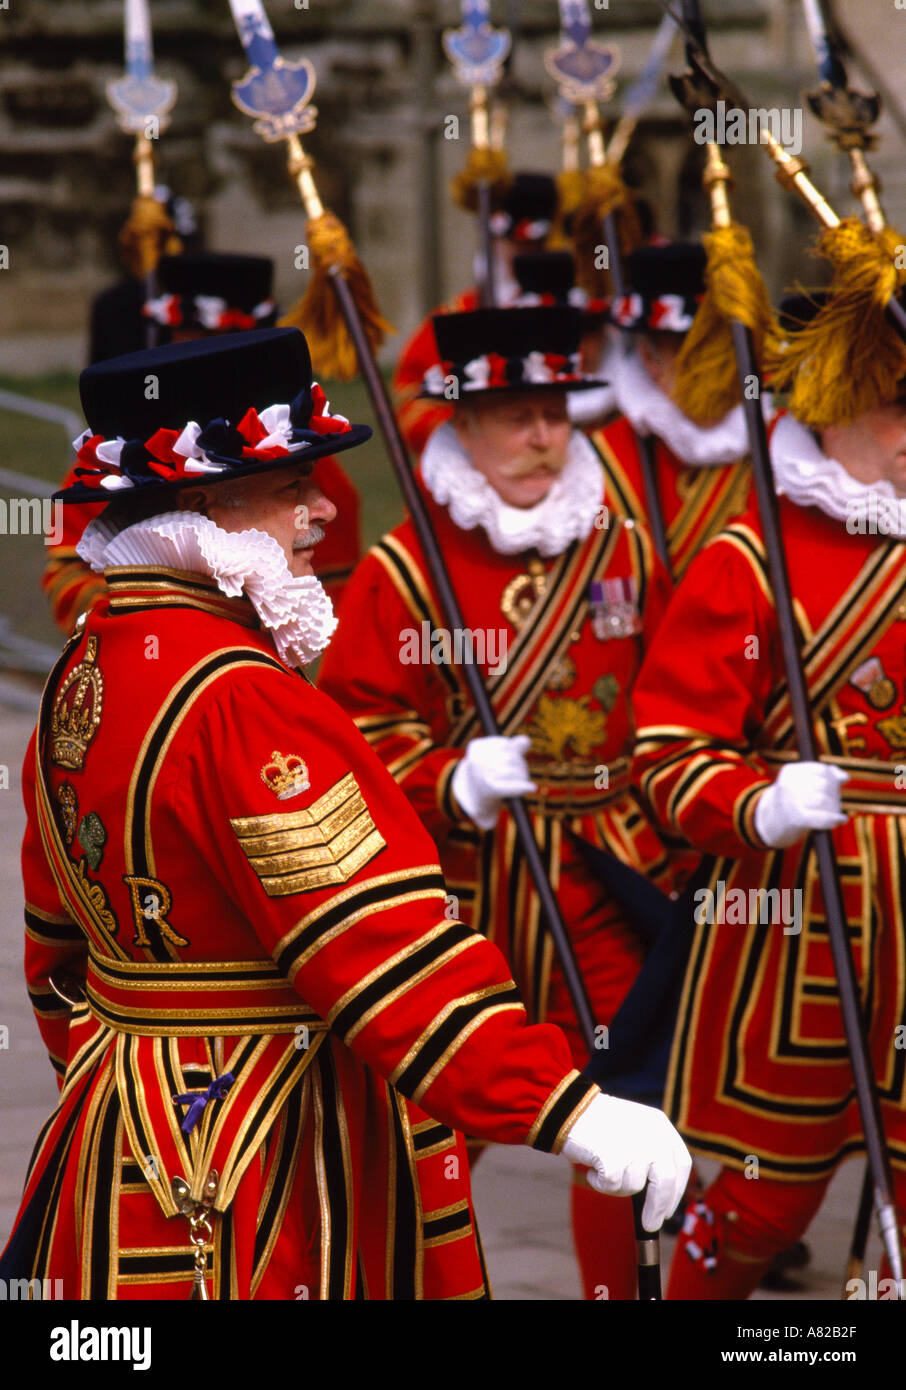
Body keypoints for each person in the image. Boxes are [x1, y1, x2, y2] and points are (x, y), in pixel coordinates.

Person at [0, 326, 690, 1300]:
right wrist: (567, 1109)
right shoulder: (240, 695)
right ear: (205, 503)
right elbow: (383, 952)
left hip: (120, 1127)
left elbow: (55, 954)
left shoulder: (87, 662)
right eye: (293, 486)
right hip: (256, 1148)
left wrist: (138, 1063)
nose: (325, 508)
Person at [319, 303, 683, 1299]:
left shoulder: (625, 543)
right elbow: (350, 739)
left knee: (630, 1109)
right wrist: (449, 779)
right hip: (464, 890)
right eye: (516, 414)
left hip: (606, 876)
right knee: (432, 1116)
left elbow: (672, 697)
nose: (542, 436)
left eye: (557, 413)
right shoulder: (404, 567)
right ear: (462, 424)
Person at [631, 289, 906, 1299]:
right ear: (830, 404)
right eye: (895, 404)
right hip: (799, 928)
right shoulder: (750, 561)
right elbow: (666, 754)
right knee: (761, 1203)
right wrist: (762, 804)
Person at [43, 253, 361, 630]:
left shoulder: (301, 459)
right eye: (183, 329)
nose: (190, 345)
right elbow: (66, 572)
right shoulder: (124, 464)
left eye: (211, 335)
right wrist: (144, 616)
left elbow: (337, 602)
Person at [591, 243, 763, 578]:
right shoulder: (600, 463)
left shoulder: (781, 445)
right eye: (691, 354)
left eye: (720, 349)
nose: (712, 369)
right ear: (648, 359)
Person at [392, 173, 558, 457]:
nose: (521, 257)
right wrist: (475, 427)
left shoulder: (572, 317)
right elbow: (411, 405)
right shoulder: (455, 317)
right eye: (512, 245)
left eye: (533, 247)